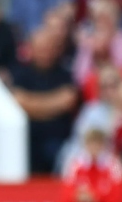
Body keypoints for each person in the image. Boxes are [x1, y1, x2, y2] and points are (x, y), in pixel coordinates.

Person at [11, 27, 78, 175]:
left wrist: (32, 106)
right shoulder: (21, 74)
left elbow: (68, 100)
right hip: (28, 140)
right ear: (31, 49)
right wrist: (53, 105)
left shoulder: (65, 74)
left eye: (48, 48)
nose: (45, 53)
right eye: (41, 49)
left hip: (58, 140)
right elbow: (18, 101)